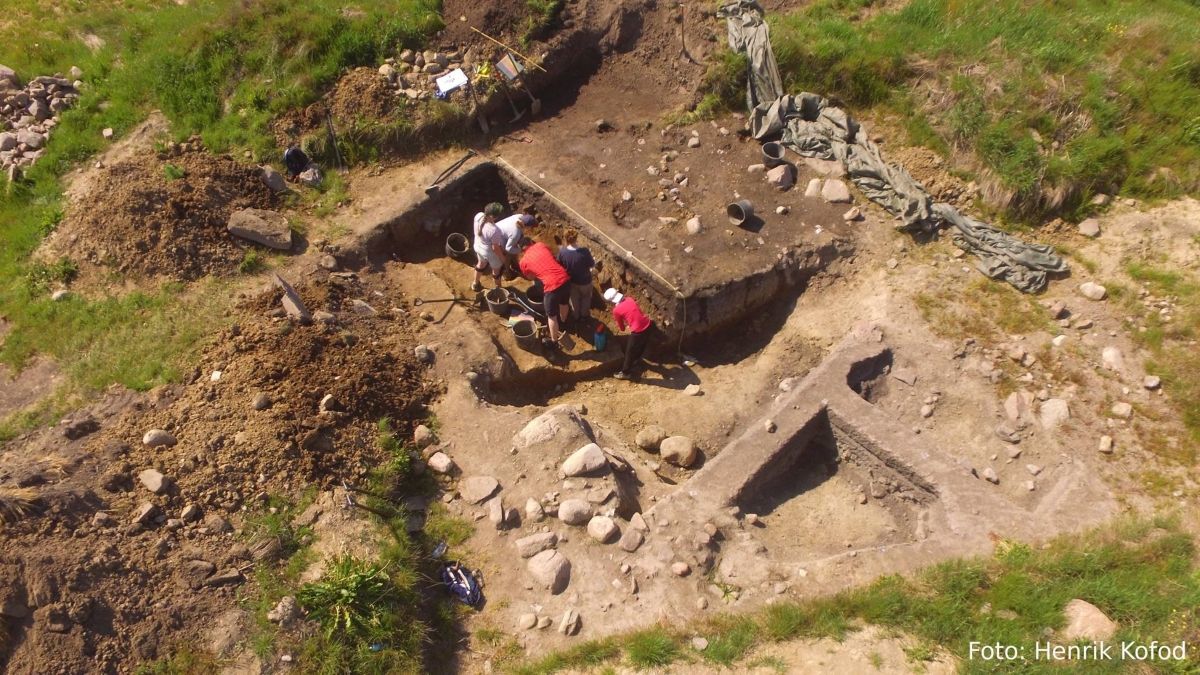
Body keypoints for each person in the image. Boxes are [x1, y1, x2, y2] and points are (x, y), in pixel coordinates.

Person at [517, 237, 571, 347]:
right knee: (564, 303)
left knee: (551, 316)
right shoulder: (541, 245)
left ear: (522, 250)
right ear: (531, 242)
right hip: (564, 278)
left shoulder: (523, 261)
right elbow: (551, 256)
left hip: (551, 286)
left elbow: (531, 277)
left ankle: (554, 341)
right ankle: (564, 322)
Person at [603, 287, 653, 380]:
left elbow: (621, 328)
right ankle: (636, 360)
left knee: (629, 351)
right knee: (642, 344)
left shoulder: (616, 310)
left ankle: (625, 372)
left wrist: (627, 327)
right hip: (648, 324)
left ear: (611, 301)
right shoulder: (629, 299)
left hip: (638, 331)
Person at [556, 230, 595, 324]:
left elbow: (559, 265)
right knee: (586, 298)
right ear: (576, 238)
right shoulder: (584, 251)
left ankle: (576, 316)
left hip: (571, 282)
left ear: (565, 239)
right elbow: (591, 264)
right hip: (585, 281)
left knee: (574, 300)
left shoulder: (562, 252)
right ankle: (584, 316)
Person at [471, 202, 506, 291]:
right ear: (493, 216)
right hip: (489, 252)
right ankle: (499, 291)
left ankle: (475, 284)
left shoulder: (478, 215)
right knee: (496, 271)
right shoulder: (494, 230)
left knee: (481, 264)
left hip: (478, 246)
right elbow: (495, 248)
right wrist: (503, 259)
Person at [495, 212, 534, 277]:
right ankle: (507, 273)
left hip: (499, 230)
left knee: (514, 247)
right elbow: (508, 248)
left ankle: (515, 265)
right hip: (495, 238)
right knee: (508, 254)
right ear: (527, 226)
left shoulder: (519, 216)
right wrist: (520, 250)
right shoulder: (516, 233)